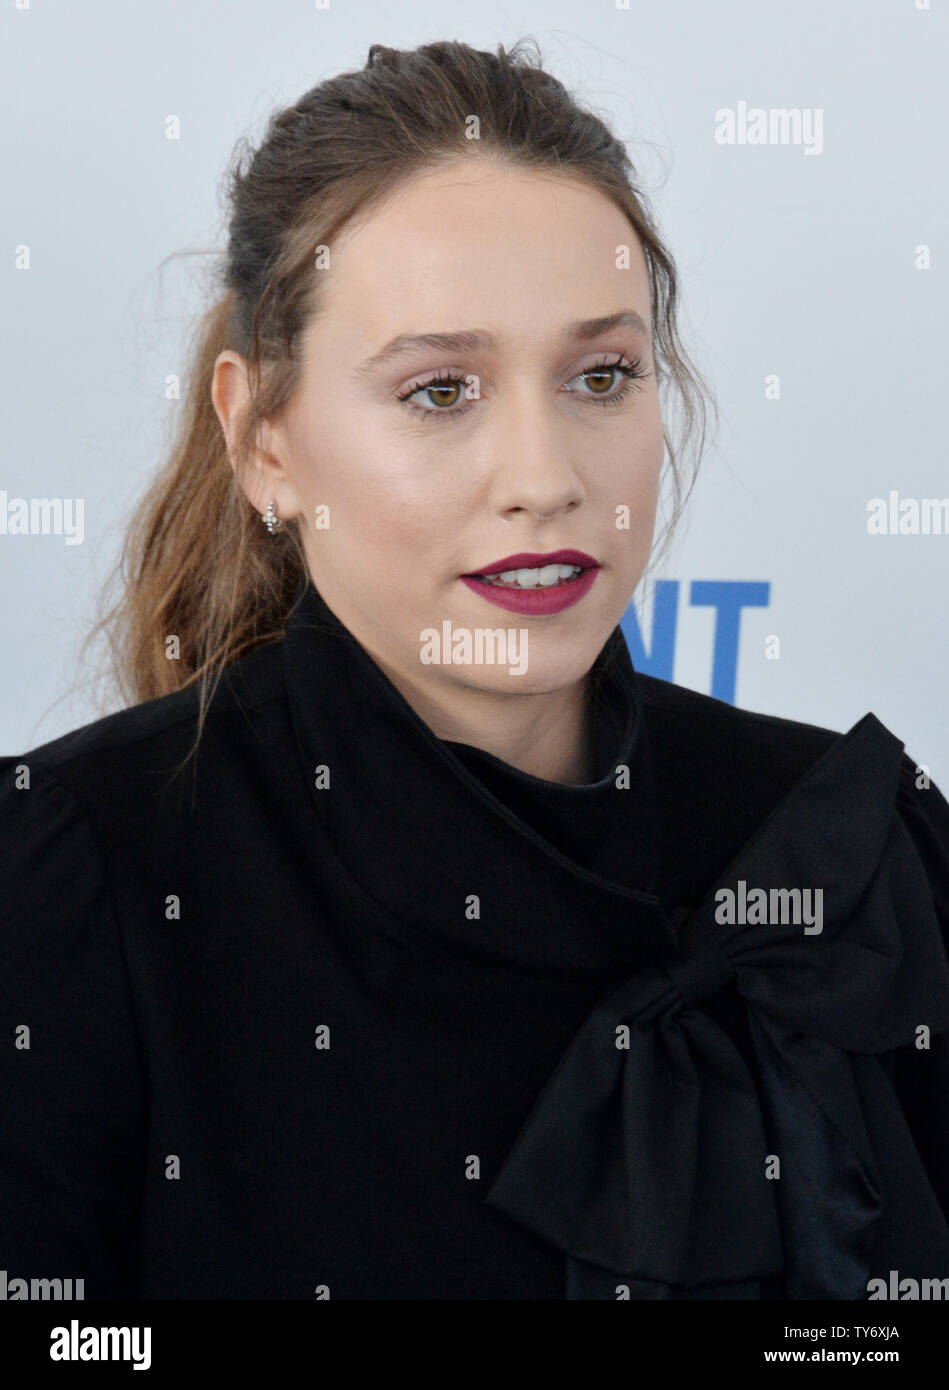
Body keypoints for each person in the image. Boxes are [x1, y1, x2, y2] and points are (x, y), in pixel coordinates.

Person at [2, 38, 948, 1302]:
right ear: (263, 437)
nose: (545, 475)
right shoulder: (82, 872)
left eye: (600, 375)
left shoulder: (838, 841)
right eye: (441, 389)